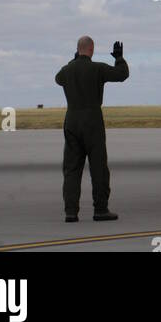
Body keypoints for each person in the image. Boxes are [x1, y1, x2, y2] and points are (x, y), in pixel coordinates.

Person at [55, 35, 129, 223]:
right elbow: (122, 75)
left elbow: (58, 79)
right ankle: (100, 210)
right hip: (92, 121)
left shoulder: (67, 70)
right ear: (91, 49)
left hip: (71, 120)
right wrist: (119, 58)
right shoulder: (97, 68)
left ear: (78, 49)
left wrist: (74, 61)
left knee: (71, 169)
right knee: (98, 168)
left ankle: (71, 212)